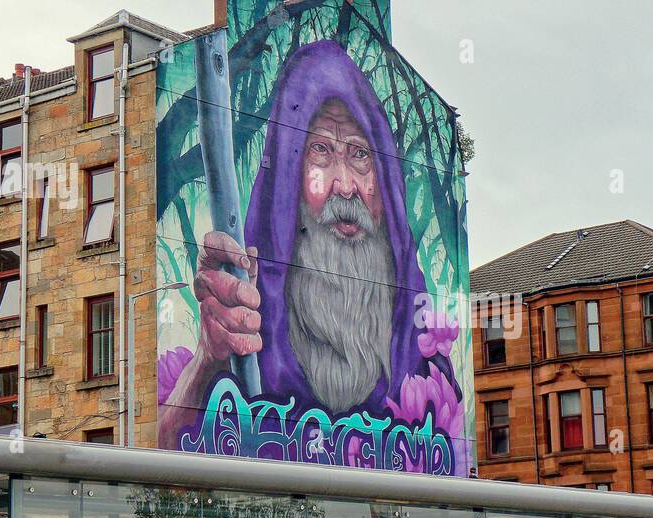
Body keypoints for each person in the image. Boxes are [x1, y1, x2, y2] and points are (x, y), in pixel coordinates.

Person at [158, 39, 465, 460]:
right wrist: (209, 358)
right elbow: (156, 480)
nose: (344, 185)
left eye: (359, 155)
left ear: (385, 187)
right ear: (288, 174)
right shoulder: (239, 327)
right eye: (321, 150)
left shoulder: (429, 361)